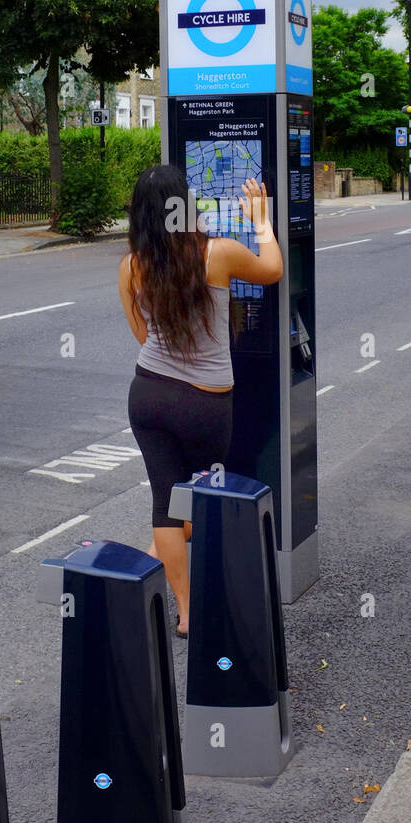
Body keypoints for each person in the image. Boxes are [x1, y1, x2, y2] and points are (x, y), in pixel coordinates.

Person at [118, 163, 283, 636]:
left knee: (166, 504)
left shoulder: (131, 266)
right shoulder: (218, 255)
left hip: (148, 393)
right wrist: (261, 221)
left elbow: (141, 333)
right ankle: (164, 565)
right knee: (199, 500)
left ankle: (185, 610)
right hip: (206, 403)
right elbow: (271, 270)